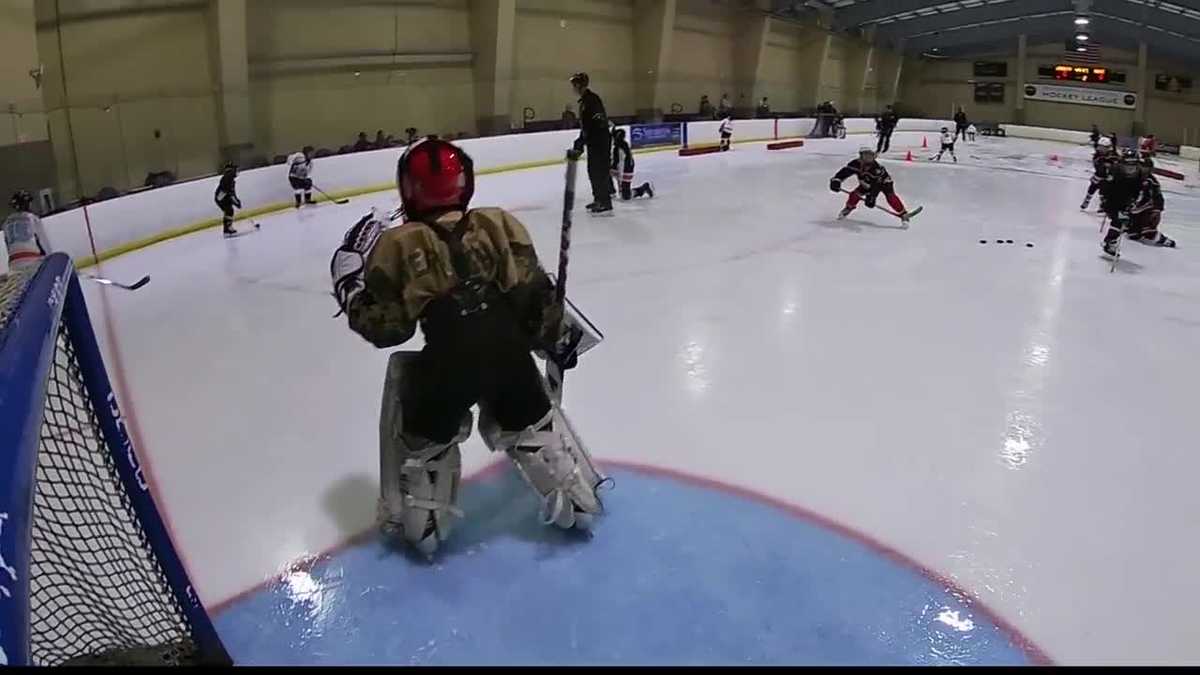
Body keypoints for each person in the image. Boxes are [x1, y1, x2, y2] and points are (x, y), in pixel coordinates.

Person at [328, 138, 605, 556]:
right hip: (509, 359)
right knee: (530, 419)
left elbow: (388, 330)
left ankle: (424, 520)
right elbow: (536, 306)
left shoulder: (398, 244)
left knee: (412, 397)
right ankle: (576, 500)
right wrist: (553, 334)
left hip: (447, 367)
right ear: (465, 182)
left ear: (409, 188)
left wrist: (349, 286)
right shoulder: (500, 224)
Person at [1101, 149, 1176, 257]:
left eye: (1133, 165)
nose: (1130, 169)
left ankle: (1161, 238)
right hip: (1121, 202)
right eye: (1127, 165)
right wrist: (1104, 198)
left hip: (1142, 209)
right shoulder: (1116, 171)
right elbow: (1107, 186)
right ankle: (1111, 241)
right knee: (1121, 221)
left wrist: (1154, 208)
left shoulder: (1148, 180)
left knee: (1135, 230)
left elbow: (1154, 197)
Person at [568, 72, 614, 214]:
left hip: (600, 142)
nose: (573, 88)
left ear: (579, 85)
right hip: (594, 141)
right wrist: (580, 143)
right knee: (593, 171)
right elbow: (587, 127)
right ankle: (598, 199)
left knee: (599, 171)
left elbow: (597, 122)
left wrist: (588, 140)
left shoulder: (592, 100)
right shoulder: (585, 101)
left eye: (574, 85)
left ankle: (605, 202)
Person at [830, 147, 913, 224]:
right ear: (861, 155)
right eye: (865, 155)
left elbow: (877, 185)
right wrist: (836, 180)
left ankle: (903, 213)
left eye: (870, 156)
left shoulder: (877, 169)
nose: (868, 159)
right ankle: (848, 208)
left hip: (884, 183)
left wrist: (872, 197)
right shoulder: (855, 164)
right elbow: (844, 172)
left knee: (891, 197)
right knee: (854, 195)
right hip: (866, 183)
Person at [3, 190, 51, 267]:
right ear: (27, 204)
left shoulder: (6, 223)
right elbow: (43, 242)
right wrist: (49, 259)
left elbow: (8, 247)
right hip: (33, 261)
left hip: (14, 263)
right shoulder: (32, 218)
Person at [611, 128, 654, 201]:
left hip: (625, 169)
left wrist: (612, 169)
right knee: (624, 194)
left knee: (625, 196)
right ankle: (642, 188)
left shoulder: (618, 147)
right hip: (627, 168)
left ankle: (644, 188)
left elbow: (617, 162)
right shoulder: (624, 145)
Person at [1081, 136, 1116, 211]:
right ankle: (1087, 200)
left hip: (1108, 177)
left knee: (1105, 191)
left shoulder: (1113, 155)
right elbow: (1097, 164)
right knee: (1092, 187)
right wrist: (1104, 162)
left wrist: (1111, 167)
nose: (1100, 149)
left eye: (1102, 147)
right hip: (1099, 175)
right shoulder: (1097, 155)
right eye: (1100, 147)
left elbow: (1116, 165)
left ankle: (1103, 204)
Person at [214, 162, 242, 238]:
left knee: (229, 211)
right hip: (222, 198)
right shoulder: (228, 178)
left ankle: (227, 229)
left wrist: (236, 200)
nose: (237, 172)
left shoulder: (229, 178)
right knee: (229, 210)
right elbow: (228, 191)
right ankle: (227, 229)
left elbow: (231, 192)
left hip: (223, 198)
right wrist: (235, 201)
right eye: (236, 170)